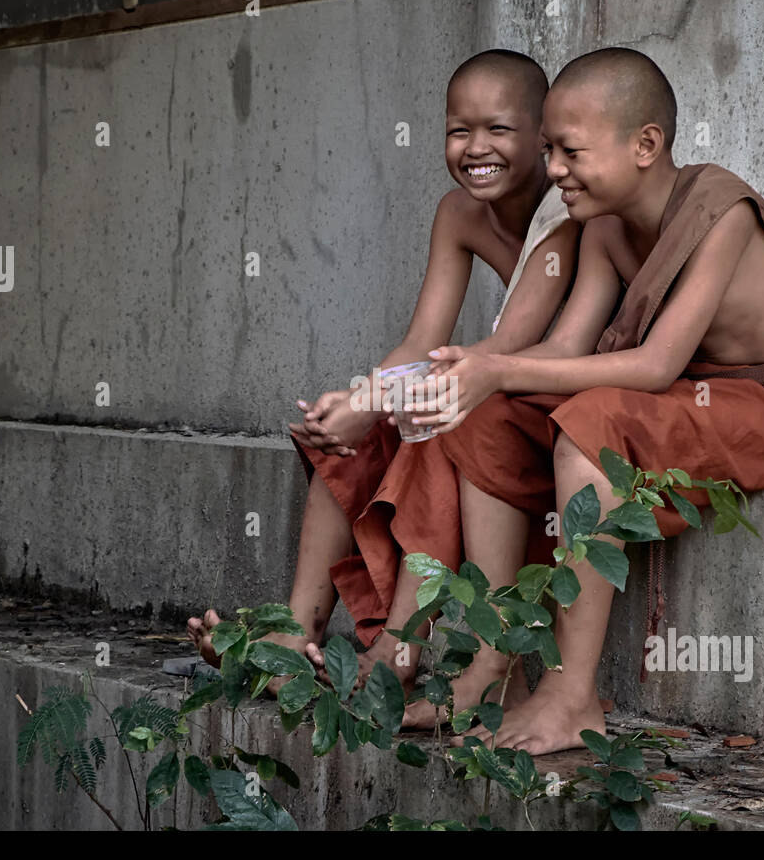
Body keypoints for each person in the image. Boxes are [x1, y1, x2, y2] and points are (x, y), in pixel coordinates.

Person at [399, 47, 764, 752]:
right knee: (490, 417)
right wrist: (484, 368)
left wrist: (498, 368)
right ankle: (491, 659)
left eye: (571, 152)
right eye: (549, 149)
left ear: (646, 144)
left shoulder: (720, 209)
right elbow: (566, 352)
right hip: (688, 394)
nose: (552, 170)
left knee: (593, 422)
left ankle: (572, 693)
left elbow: (653, 363)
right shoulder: (606, 225)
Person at [187, 50, 581, 692]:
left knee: (431, 424)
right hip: (491, 380)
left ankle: (399, 653)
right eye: (459, 130)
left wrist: (382, 399)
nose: (475, 147)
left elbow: (506, 347)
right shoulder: (459, 213)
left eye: (499, 130)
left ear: (543, 138)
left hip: (541, 396)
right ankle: (297, 631)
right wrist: (359, 399)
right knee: (358, 433)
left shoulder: (567, 216)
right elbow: (422, 341)